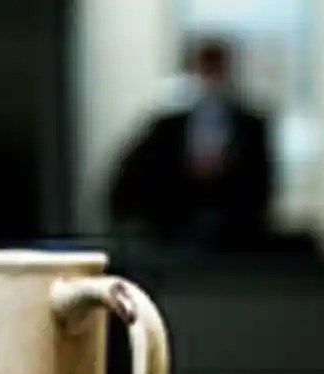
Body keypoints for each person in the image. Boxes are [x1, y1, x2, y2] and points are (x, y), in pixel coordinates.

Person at [109, 39, 274, 255]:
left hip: (234, 238)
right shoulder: (166, 127)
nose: (213, 77)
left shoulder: (251, 126)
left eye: (218, 68)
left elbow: (261, 183)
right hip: (173, 233)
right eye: (207, 68)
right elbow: (134, 178)